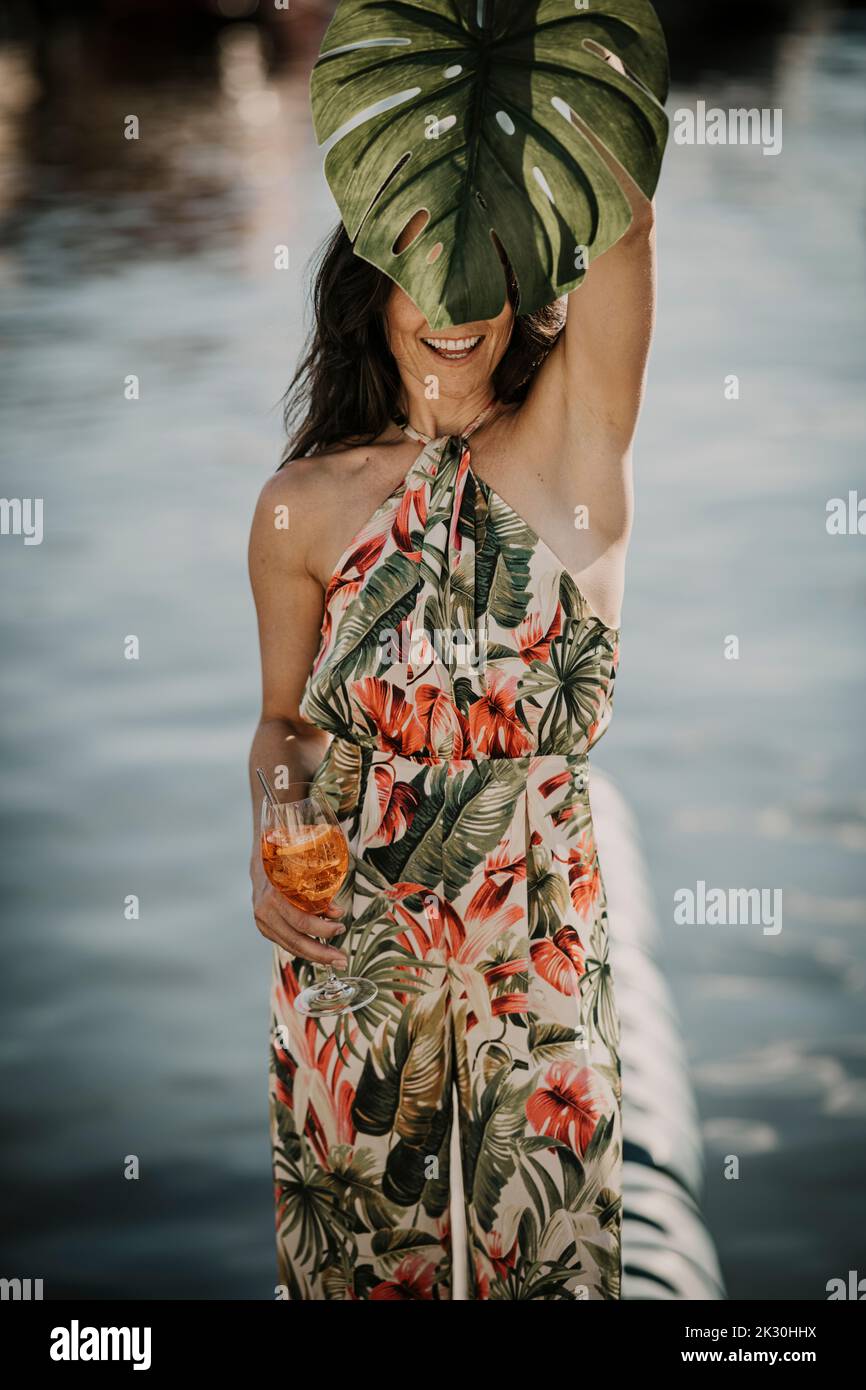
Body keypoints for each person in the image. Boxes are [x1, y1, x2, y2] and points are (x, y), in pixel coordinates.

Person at [247, 50, 656, 1300]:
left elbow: (628, 236)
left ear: (523, 286)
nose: (451, 302)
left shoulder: (573, 451)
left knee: (554, 1272)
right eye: (421, 264)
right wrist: (274, 828)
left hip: (540, 949)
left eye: (481, 265)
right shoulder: (299, 505)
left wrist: (532, 70)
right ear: (371, 285)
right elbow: (283, 725)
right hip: (353, 954)